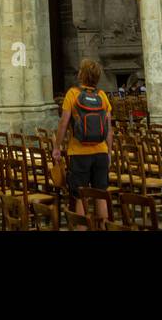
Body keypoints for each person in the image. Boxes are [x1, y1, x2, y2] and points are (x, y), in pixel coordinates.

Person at [52, 59, 113, 228]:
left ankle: (81, 228)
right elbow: (108, 129)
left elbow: (64, 123)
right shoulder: (102, 96)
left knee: (80, 195)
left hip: (79, 152)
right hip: (100, 151)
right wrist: (109, 152)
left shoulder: (73, 94)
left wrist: (57, 147)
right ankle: (103, 227)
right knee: (101, 195)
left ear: (81, 75)